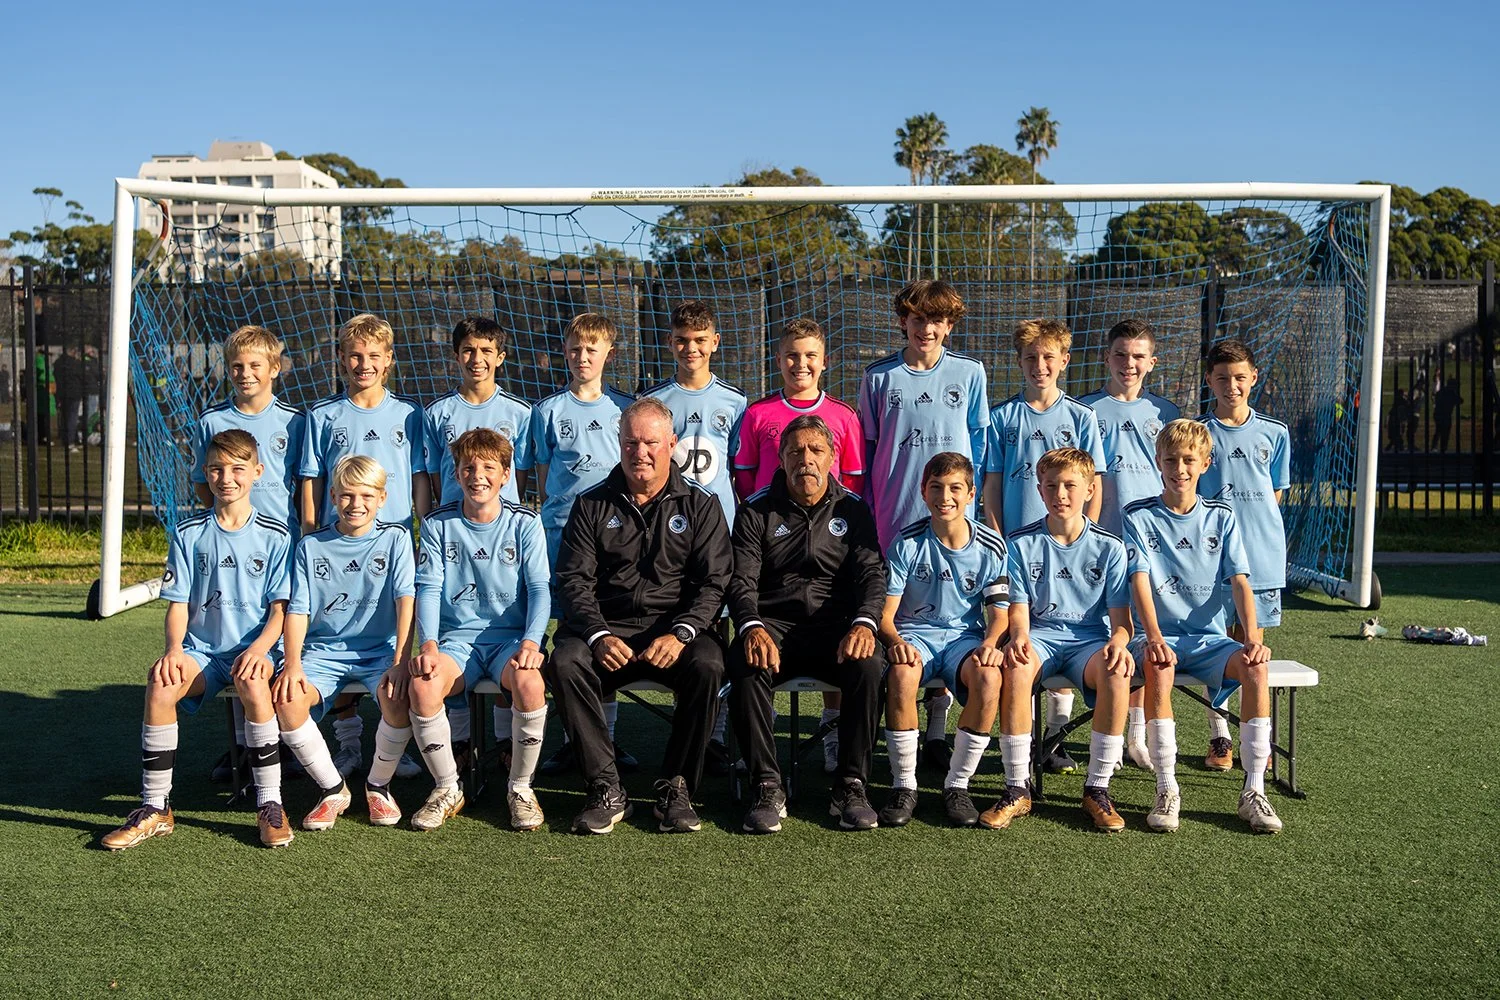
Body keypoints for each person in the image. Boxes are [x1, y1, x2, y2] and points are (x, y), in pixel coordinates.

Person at [545, 398, 732, 835]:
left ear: (671, 444)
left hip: (673, 632)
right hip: (607, 631)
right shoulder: (590, 505)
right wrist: (596, 635)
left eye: (651, 442)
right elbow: (573, 581)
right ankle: (606, 788)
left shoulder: (702, 506)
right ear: (619, 443)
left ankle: (676, 786)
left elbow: (715, 582)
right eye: (631, 442)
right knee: (567, 661)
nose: (640, 452)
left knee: (708, 664)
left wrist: (682, 633)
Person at [101, 429, 294, 850]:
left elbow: (281, 611)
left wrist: (261, 649)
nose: (227, 478)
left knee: (254, 681)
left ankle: (270, 804)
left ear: (257, 473)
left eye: (238, 469)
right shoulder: (189, 534)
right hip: (202, 651)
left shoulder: (277, 535)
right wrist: (173, 650)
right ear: (205, 474)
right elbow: (177, 606)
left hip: (255, 650)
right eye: (217, 469)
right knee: (161, 682)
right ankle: (155, 807)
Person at [727, 414, 886, 833]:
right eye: (796, 451)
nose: (806, 459)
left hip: (837, 628)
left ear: (833, 457)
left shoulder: (854, 509)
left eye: (816, 450)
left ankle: (850, 785)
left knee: (870, 664)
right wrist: (751, 626)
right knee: (744, 661)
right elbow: (741, 580)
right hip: (774, 626)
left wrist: (865, 623)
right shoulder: (756, 509)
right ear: (780, 458)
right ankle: (765, 784)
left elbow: (872, 574)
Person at [1123, 419, 1282, 834]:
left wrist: (1251, 639)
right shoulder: (1137, 516)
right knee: (1159, 666)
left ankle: (1254, 791)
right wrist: (1153, 636)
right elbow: (1139, 580)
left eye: (1189, 460)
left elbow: (1240, 582)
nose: (1180, 469)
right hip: (1155, 636)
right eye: (1171, 460)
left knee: (1256, 668)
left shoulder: (1223, 517)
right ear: (1157, 462)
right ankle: (1166, 787)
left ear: (1206, 463)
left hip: (1210, 640)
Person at [858, 280, 989, 769]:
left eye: (936, 321)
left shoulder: (970, 373)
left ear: (949, 325)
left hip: (956, 524)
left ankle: (937, 727)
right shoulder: (878, 377)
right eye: (917, 320)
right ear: (903, 322)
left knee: (951, 618)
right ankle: (887, 726)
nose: (926, 329)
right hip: (894, 517)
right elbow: (869, 452)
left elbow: (980, 446)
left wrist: (982, 513)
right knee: (904, 623)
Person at [399, 428, 552, 831]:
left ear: (506, 474)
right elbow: (428, 589)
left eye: (488, 467)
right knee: (423, 685)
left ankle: (520, 787)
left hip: (510, 640)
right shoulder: (437, 524)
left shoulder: (525, 522)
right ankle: (447, 786)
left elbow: (539, 589)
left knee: (530, 682)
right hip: (456, 643)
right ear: (456, 472)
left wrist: (532, 642)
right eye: (468, 467)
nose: (477, 475)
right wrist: (428, 644)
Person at [299, 313, 427, 779]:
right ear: (340, 358)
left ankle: (397, 746)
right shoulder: (323, 415)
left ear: (389, 360)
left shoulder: (410, 415)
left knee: (391, 642)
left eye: (373, 356)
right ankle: (348, 745)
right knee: (336, 631)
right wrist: (312, 532)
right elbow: (311, 478)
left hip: (389, 544)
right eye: (354, 355)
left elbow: (418, 478)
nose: (363, 363)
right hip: (337, 543)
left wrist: (421, 531)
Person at [732, 317, 861, 772]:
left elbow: (850, 482)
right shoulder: (758, 414)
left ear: (824, 362)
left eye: (810, 356)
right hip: (774, 533)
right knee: (755, 641)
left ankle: (833, 737)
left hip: (827, 531)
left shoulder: (844, 416)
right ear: (778, 359)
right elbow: (745, 477)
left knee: (845, 631)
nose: (800, 364)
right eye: (791, 355)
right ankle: (758, 750)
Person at [982, 447, 1133, 832]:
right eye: (1051, 486)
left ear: (1090, 489)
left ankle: (1097, 789)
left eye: (1070, 485)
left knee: (1117, 671)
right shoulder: (1019, 543)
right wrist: (1018, 636)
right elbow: (1018, 608)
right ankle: (1017, 787)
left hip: (1087, 643)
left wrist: (1118, 641)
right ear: (1039, 489)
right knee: (1015, 665)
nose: (1060, 494)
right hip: (1040, 637)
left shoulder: (1110, 548)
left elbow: (1120, 623)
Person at [983, 318, 1106, 774]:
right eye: (1031, 358)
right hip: (1018, 553)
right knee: (1019, 642)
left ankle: (1054, 739)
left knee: (1067, 631)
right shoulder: (1002, 417)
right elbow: (991, 485)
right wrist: (996, 539)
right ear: (1019, 362)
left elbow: (1095, 487)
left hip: (1069, 552)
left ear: (1064, 361)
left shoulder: (1082, 417)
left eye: (1048, 358)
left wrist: (1084, 541)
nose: (1040, 366)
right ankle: (1019, 739)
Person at [272, 455, 415, 831]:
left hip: (378, 652)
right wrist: (293, 664)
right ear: (332, 496)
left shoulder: (396, 538)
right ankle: (333, 789)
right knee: (287, 700)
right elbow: (298, 611)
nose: (357, 504)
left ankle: (378, 786)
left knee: (400, 697)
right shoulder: (311, 546)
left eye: (367, 495)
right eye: (347, 495)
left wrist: (401, 660)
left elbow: (406, 603)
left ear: (382, 498)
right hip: (323, 654)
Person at [422, 315, 535, 770]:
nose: (477, 359)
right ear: (456, 356)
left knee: (504, 617)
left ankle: (508, 744)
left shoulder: (521, 414)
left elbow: (522, 481)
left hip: (500, 534)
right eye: (468, 350)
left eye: (487, 351)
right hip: (453, 534)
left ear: (500, 357)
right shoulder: (437, 414)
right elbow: (432, 481)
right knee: (456, 623)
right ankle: (463, 742)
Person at [877, 452, 1011, 829]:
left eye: (955, 488)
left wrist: (990, 642)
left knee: (989, 677)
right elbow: (885, 618)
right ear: (923, 491)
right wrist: (893, 640)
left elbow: (999, 615)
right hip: (915, 636)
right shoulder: (906, 543)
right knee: (902, 673)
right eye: (936, 487)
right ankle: (905, 785)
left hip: (962, 640)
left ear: (972, 494)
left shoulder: (991, 546)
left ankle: (958, 785)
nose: (945, 496)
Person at [644, 300, 748, 774]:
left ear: (714, 344)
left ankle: (717, 732)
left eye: (700, 341)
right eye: (683, 340)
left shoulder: (735, 402)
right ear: (671, 343)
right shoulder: (654, 401)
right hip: (669, 531)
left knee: (716, 624)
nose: (691, 348)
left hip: (718, 531)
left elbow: (739, 473)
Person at [531, 313, 637, 775]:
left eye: (592, 349)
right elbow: (538, 477)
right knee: (560, 636)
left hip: (612, 539)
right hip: (559, 537)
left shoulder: (625, 408)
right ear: (566, 352)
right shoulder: (548, 410)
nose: (582, 357)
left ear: (608, 355)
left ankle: (605, 741)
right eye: (575, 349)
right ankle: (572, 738)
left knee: (603, 629)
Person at [1080, 318, 1180, 769]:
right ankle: (1070, 729)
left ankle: (1133, 736)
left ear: (1152, 363)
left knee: (1137, 635)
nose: (1129, 364)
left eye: (1138, 356)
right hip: (1099, 543)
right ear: (1107, 358)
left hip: (1149, 544)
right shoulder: (1084, 411)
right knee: (1087, 630)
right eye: (1120, 354)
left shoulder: (1167, 413)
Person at [1196, 339, 1291, 771]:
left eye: (1239, 377)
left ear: (1253, 378)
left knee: (1253, 647)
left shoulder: (1275, 433)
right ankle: (1220, 737)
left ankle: (1258, 740)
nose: (1231, 386)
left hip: (1261, 561)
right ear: (1209, 380)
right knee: (1216, 647)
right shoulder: (1198, 433)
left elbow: (1273, 496)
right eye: (1222, 378)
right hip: (1210, 563)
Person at [192, 326, 304, 533]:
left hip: (282, 535)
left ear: (274, 368)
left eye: (255, 365)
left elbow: (305, 483)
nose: (245, 374)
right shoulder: (212, 421)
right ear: (227, 369)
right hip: (229, 535)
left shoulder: (294, 421)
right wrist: (225, 517)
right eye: (237, 366)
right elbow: (201, 481)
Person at [53, 343, 83, 449]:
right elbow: (81, 376)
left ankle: (66, 439)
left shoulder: (58, 363)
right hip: (73, 393)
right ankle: (70, 441)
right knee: (72, 417)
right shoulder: (75, 363)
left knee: (65, 417)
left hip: (62, 393)